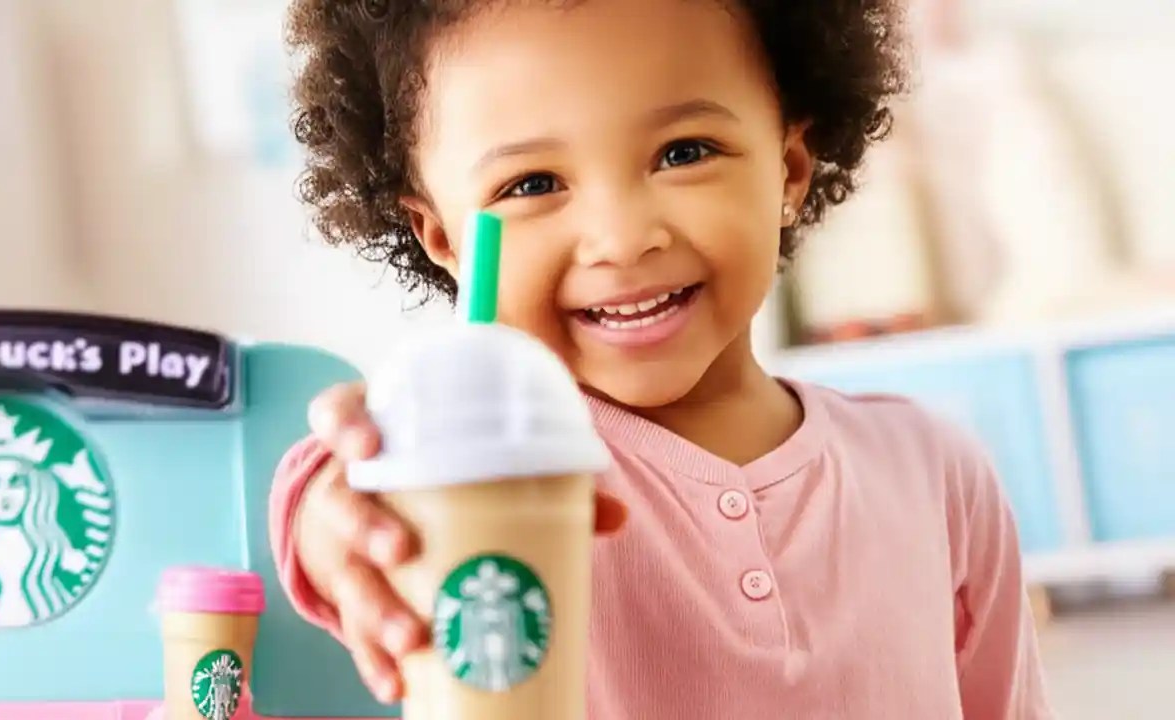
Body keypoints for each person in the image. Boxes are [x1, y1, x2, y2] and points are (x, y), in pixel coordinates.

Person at [267, 0, 1054, 717]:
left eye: (684, 152)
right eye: (533, 182)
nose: (623, 236)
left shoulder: (934, 473)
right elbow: (335, 503)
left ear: (788, 168)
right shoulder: (488, 479)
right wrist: (339, 508)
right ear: (442, 236)